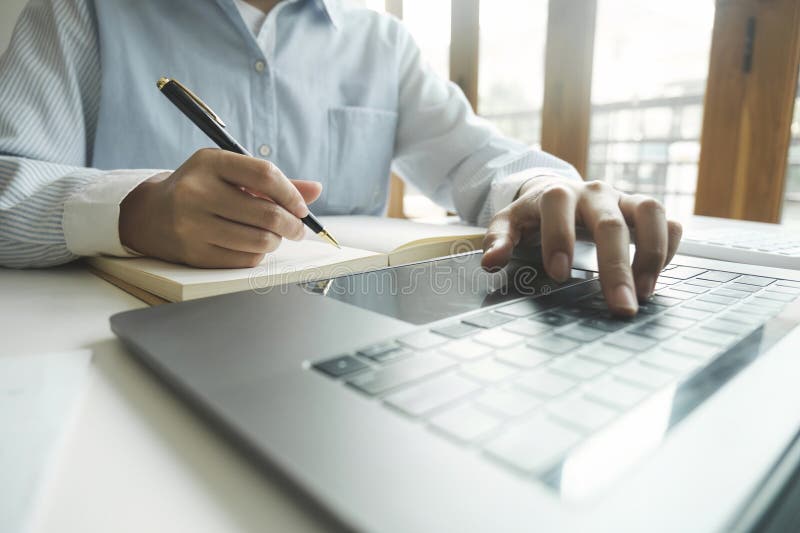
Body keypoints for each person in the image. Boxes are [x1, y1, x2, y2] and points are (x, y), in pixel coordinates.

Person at [0, 0, 681, 315]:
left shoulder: (383, 43)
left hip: (349, 335)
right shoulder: (79, 12)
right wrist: (133, 210)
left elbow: (477, 155)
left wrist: (538, 184)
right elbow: (10, 178)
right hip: (107, 354)